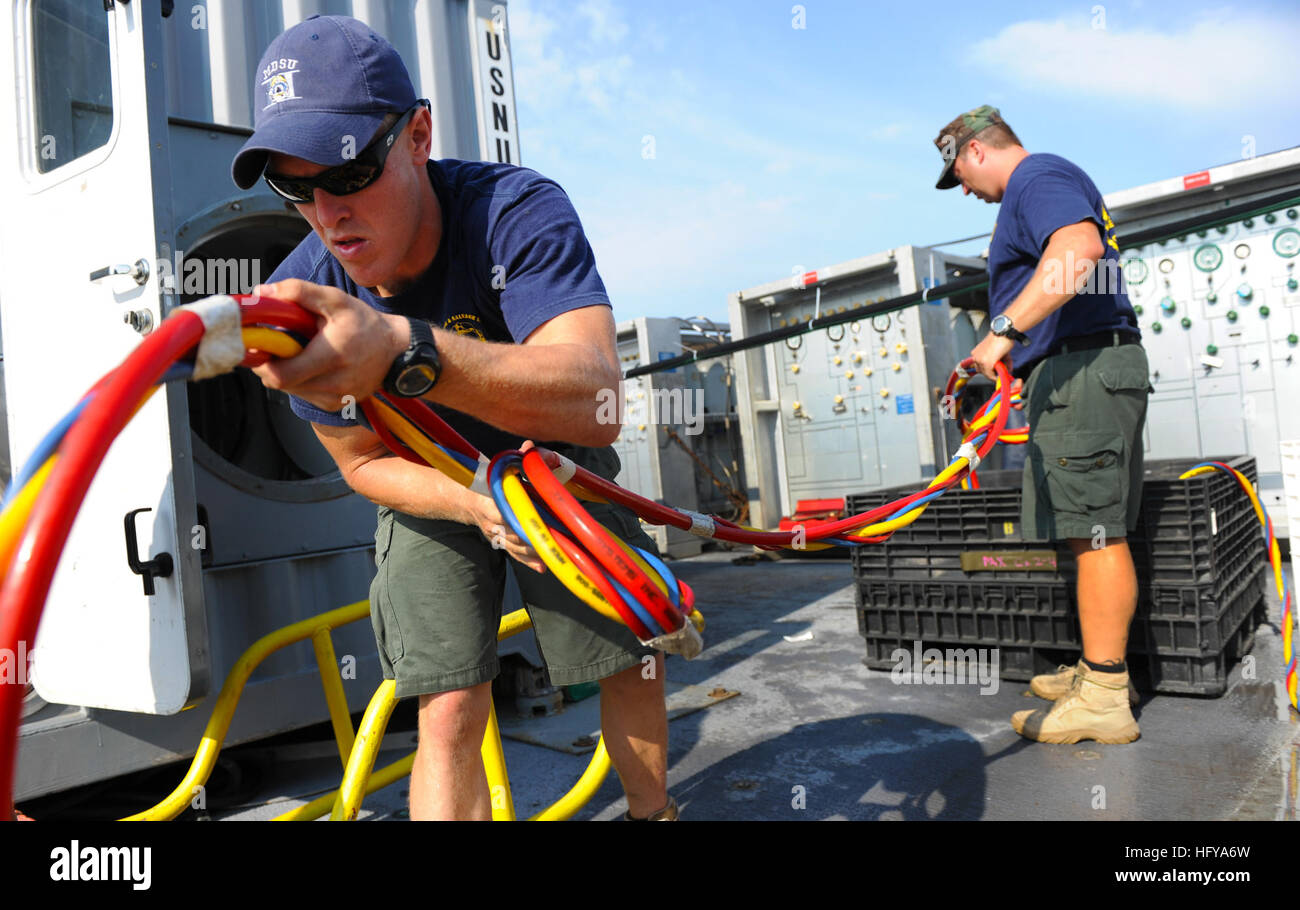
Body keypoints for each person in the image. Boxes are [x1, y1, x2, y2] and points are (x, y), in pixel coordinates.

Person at [231, 15, 676, 819]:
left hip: (557, 464)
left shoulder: (514, 211)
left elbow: (598, 401)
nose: (328, 213)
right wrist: (476, 502)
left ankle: (654, 813)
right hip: (438, 489)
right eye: (295, 187)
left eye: (349, 169)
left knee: (628, 659)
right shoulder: (305, 304)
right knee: (446, 703)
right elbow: (362, 464)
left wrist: (407, 350)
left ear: (418, 135)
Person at [933, 105, 1150, 744]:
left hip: (1087, 373)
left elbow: (1077, 249)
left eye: (961, 177)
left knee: (1095, 533)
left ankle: (1107, 695)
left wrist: (1002, 335)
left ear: (975, 151)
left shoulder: (1037, 177)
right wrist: (1034, 362)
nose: (967, 192)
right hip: (1076, 369)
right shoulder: (1039, 187)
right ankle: (1097, 669)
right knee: (1086, 529)